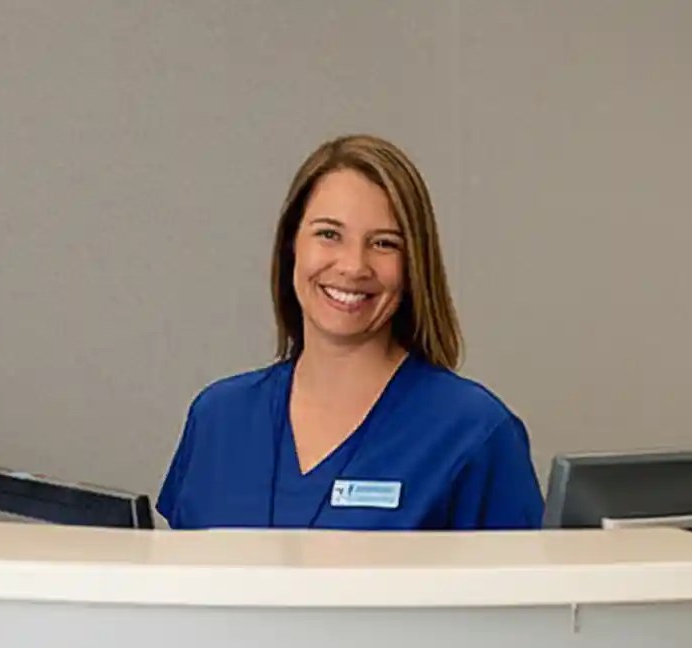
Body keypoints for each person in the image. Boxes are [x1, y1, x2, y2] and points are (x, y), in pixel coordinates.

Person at [156, 134, 544, 530]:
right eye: (329, 234)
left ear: (414, 265)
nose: (354, 266)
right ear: (292, 244)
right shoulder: (218, 419)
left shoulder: (474, 433)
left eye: (384, 243)